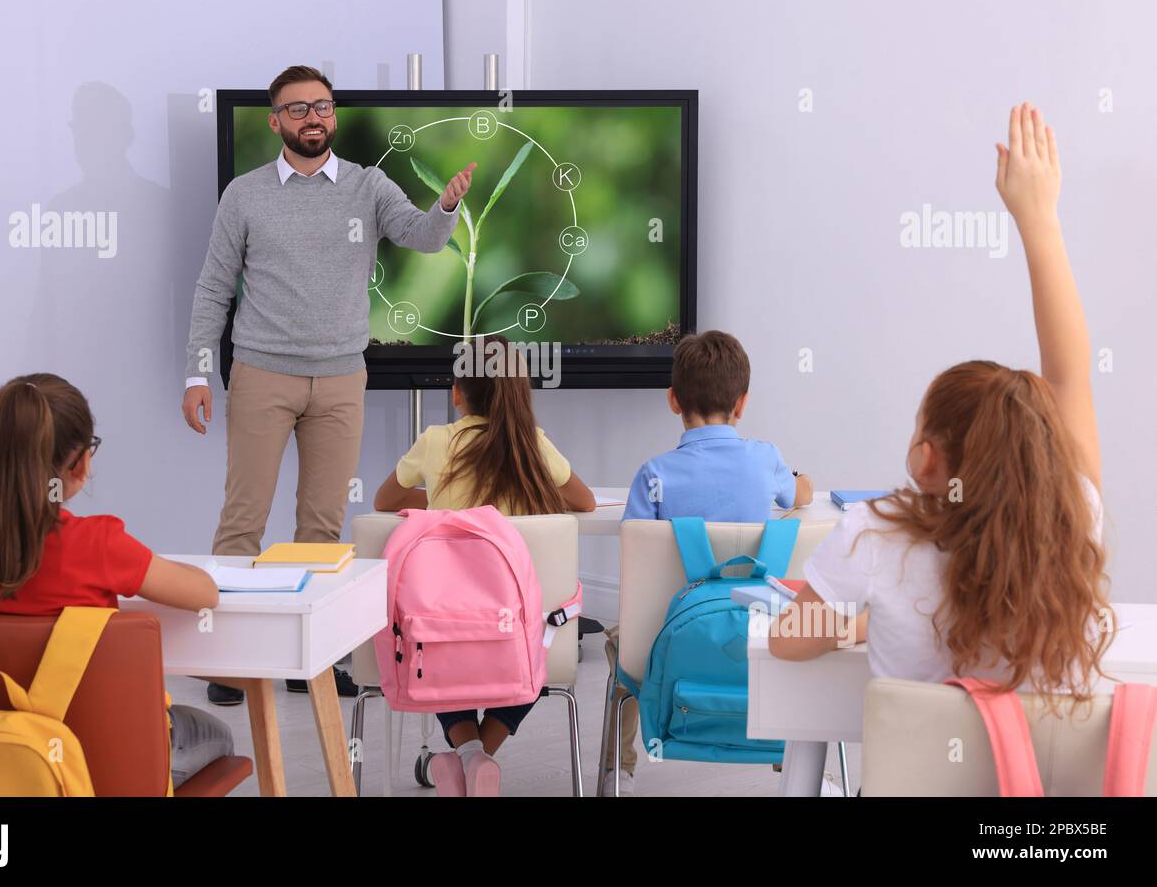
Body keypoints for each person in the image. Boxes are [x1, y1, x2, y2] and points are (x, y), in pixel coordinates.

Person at [771, 103, 1110, 712]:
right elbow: (1071, 374)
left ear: (927, 458)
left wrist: (860, 624)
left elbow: (785, 643)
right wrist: (1040, 219)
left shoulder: (871, 538)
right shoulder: (1073, 517)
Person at [182, 64, 476, 705]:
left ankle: (307, 658)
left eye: (322, 107)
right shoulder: (245, 195)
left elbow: (421, 238)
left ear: (333, 115)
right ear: (276, 121)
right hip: (261, 372)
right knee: (243, 519)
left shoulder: (369, 186)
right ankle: (230, 659)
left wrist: (447, 204)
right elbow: (212, 288)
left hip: (342, 376)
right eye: (298, 109)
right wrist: (198, 370)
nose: (313, 118)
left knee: (321, 525)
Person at [0, 374, 233, 789]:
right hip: (98, 757)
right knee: (221, 735)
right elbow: (205, 593)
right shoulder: (101, 545)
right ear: (82, 464)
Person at [373, 336, 596, 795]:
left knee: (429, 644)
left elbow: (384, 500)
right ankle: (479, 757)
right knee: (543, 645)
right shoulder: (533, 445)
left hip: (446, 632)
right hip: (519, 635)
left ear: (457, 392)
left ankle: (467, 754)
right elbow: (585, 501)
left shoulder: (436, 441)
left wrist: (439, 499)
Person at [606, 329, 813, 794]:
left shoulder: (653, 475)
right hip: (764, 635)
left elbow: (636, 545)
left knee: (624, 646)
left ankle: (618, 769)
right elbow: (798, 494)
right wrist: (803, 482)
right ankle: (795, 764)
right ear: (741, 404)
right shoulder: (765, 460)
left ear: (673, 400)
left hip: (664, 639)